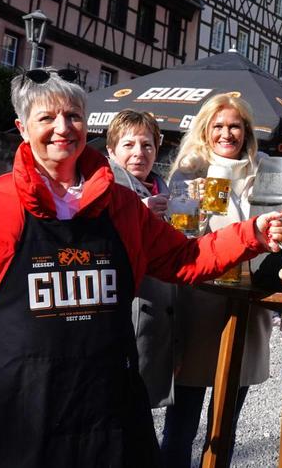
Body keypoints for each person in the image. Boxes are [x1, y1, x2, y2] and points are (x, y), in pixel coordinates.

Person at [0, 68, 282, 467]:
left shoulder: (121, 207)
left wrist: (252, 234)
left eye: (72, 115)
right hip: (7, 411)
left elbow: (186, 259)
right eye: (46, 117)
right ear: (22, 128)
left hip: (101, 414)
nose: (62, 128)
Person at [159, 93, 274, 467]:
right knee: (182, 423)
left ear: (246, 132)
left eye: (235, 126)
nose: (227, 134)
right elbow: (182, 237)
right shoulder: (190, 170)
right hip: (197, 303)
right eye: (219, 126)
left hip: (244, 301)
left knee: (225, 423)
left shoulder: (264, 170)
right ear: (205, 130)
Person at [105, 109, 177, 448]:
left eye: (147, 145)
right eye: (128, 144)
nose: (139, 153)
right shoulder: (106, 189)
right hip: (123, 318)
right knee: (116, 413)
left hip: (158, 314)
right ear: (112, 151)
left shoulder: (161, 189)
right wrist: (139, 216)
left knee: (138, 415)